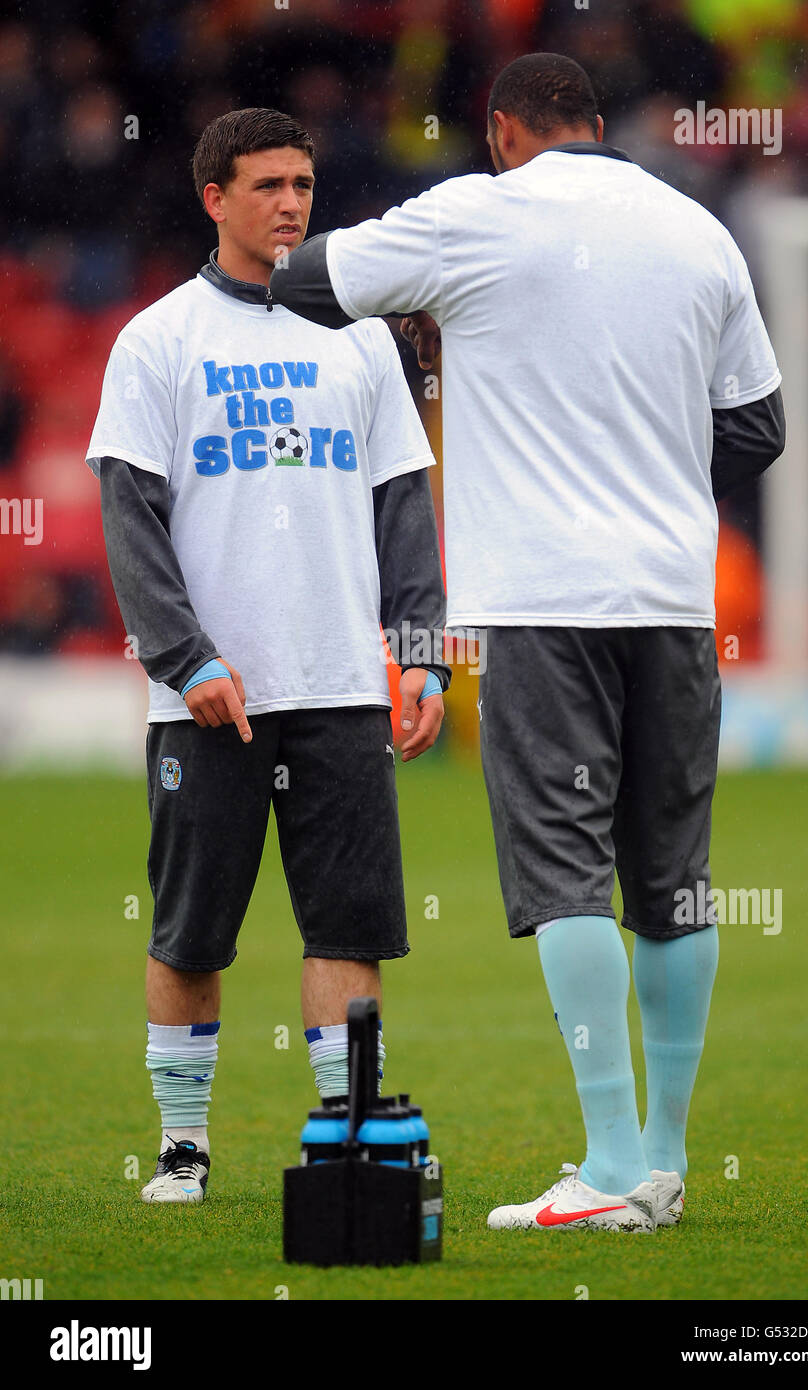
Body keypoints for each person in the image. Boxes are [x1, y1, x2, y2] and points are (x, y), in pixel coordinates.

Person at [269, 54, 786, 1232]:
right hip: (670, 594)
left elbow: (306, 280)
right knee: (672, 881)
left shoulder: (471, 215)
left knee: (562, 873)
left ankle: (605, 1167)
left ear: (500, 131)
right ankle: (661, 1156)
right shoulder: (693, 228)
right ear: (598, 128)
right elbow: (754, 425)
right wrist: (646, 476)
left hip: (544, 597)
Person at [85, 108, 449, 1204]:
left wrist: (421, 648)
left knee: (348, 926)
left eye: (302, 181)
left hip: (340, 683)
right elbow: (129, 516)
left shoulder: (359, 333)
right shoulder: (159, 338)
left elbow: (401, 500)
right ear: (214, 198)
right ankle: (183, 1146)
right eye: (268, 185)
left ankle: (342, 1134)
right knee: (192, 931)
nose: (293, 202)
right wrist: (185, 656)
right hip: (209, 699)